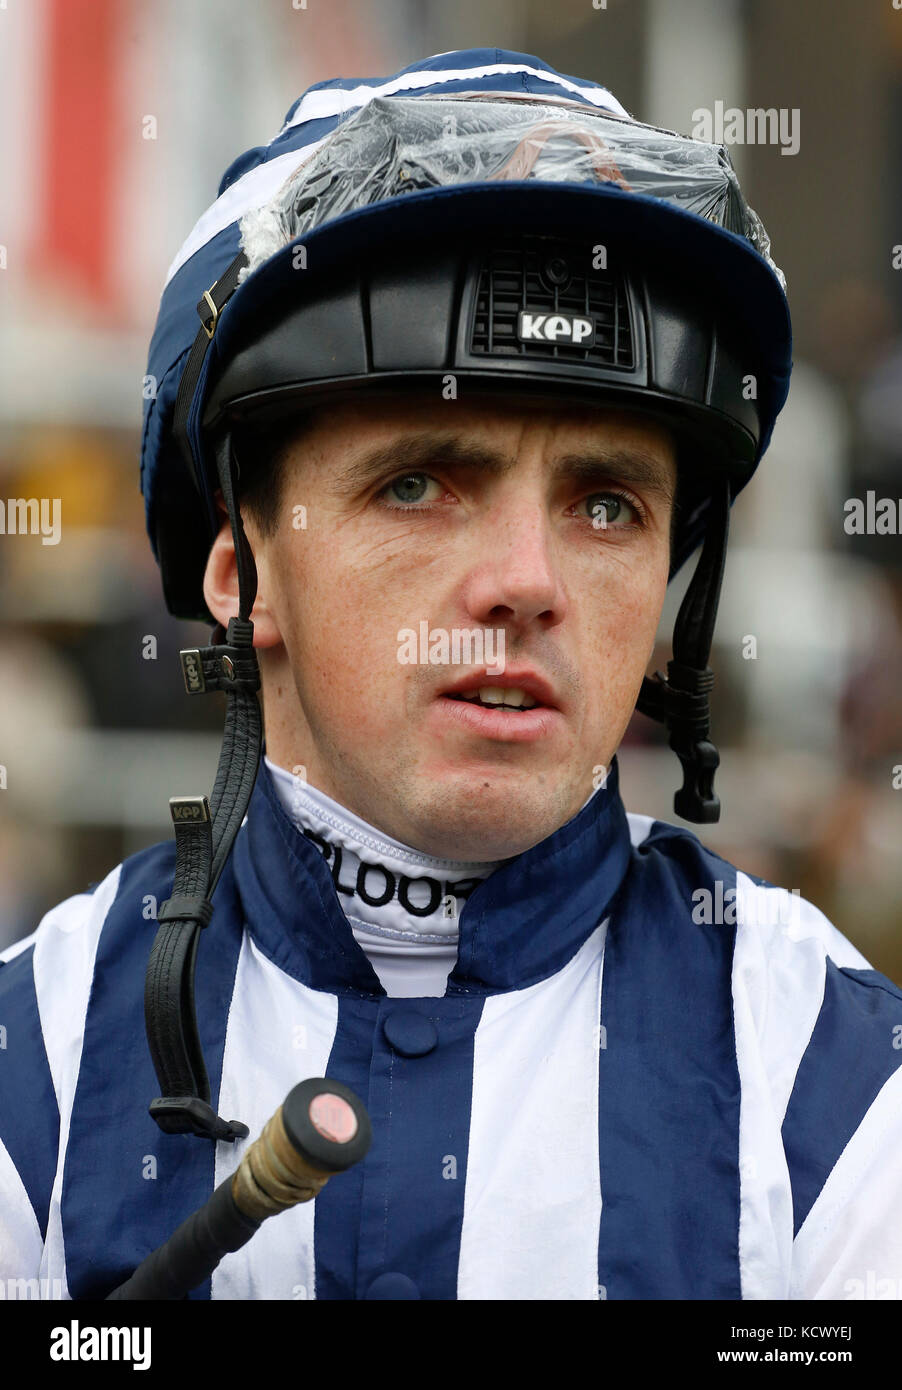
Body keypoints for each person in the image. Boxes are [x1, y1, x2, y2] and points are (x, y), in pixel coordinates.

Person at [1, 48, 900, 1303]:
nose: (525, 581)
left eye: (604, 503)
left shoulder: (845, 1087)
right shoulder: (26, 1066)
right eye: (418, 482)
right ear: (236, 561)